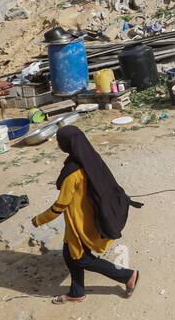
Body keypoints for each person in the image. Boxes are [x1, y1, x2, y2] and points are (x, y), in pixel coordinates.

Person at [34, 126, 142, 303]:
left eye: (61, 143)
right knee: (69, 255)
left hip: (81, 223)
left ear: (66, 145)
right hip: (92, 214)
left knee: (81, 259)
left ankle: (127, 275)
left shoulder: (72, 173)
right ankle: (76, 293)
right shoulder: (90, 159)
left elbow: (60, 206)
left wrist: (39, 219)